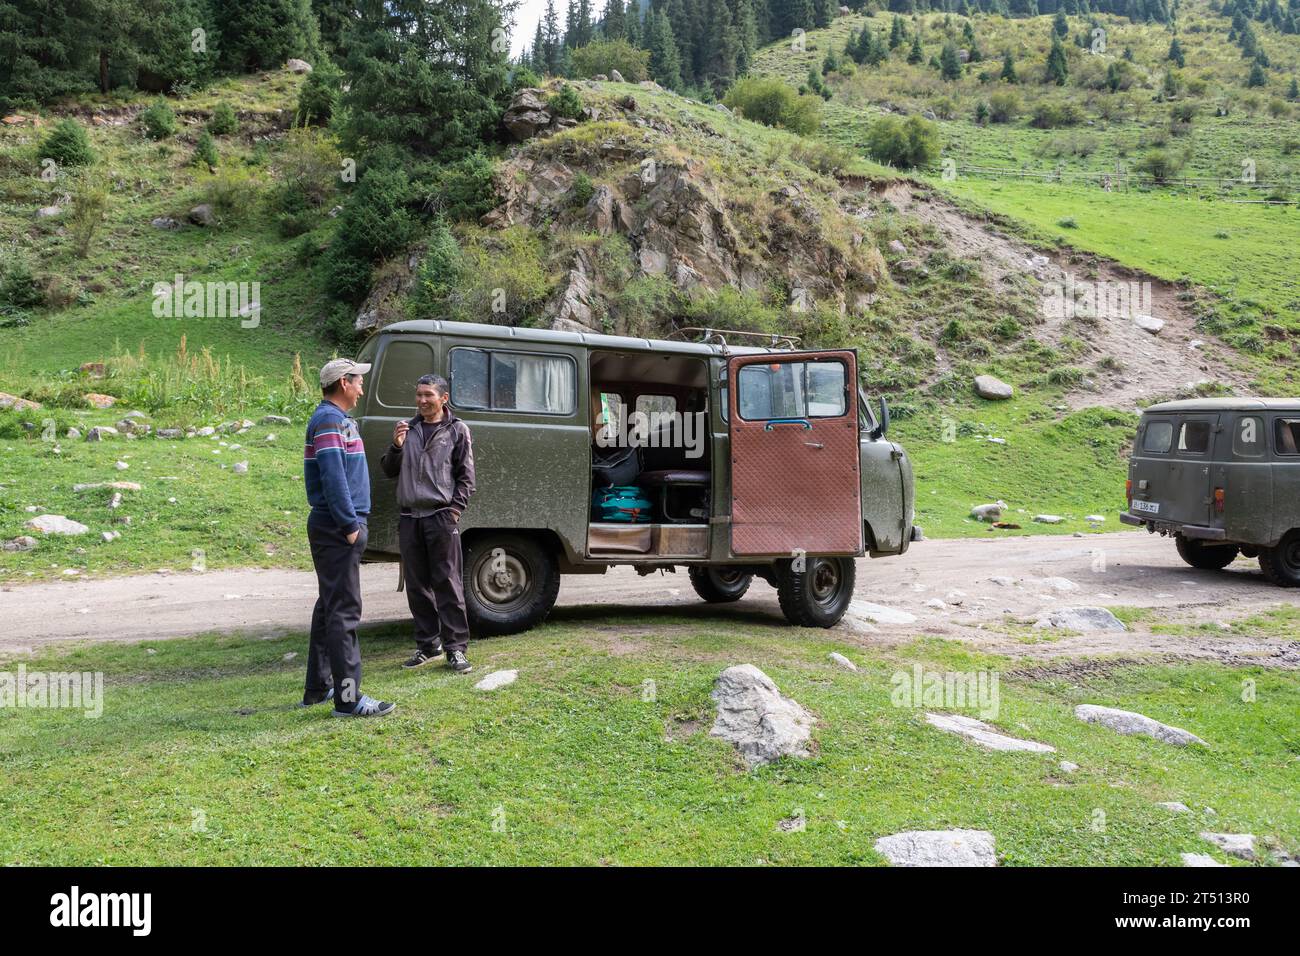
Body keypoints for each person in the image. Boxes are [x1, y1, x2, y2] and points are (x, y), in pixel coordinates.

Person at [302, 358, 395, 718]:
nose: (361, 387)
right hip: (338, 526)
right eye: (358, 381)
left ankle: (318, 688)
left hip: (337, 525)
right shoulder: (328, 420)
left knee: (330, 606)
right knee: (344, 611)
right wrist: (349, 525)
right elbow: (333, 477)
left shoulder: (335, 419)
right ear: (343, 382)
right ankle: (348, 699)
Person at [380, 374, 476, 674]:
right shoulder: (408, 429)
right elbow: (389, 470)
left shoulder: (457, 430)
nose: (422, 400)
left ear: (443, 398)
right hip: (409, 518)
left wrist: (454, 511)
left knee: (447, 584)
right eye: (419, 394)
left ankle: (456, 649)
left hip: (440, 517)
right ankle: (427, 645)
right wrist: (396, 447)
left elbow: (466, 478)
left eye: (428, 395)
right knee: (417, 586)